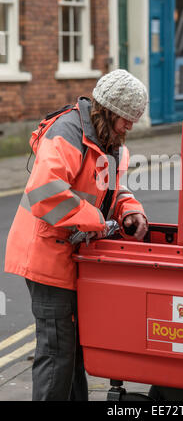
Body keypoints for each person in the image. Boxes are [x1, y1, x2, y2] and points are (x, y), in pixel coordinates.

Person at [4, 69, 149, 401]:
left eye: (133, 120)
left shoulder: (110, 143)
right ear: (107, 110)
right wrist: (98, 222)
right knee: (57, 352)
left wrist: (130, 210)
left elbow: (115, 191)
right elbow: (45, 193)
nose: (129, 126)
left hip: (69, 256)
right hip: (44, 256)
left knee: (72, 352)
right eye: (125, 118)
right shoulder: (67, 133)